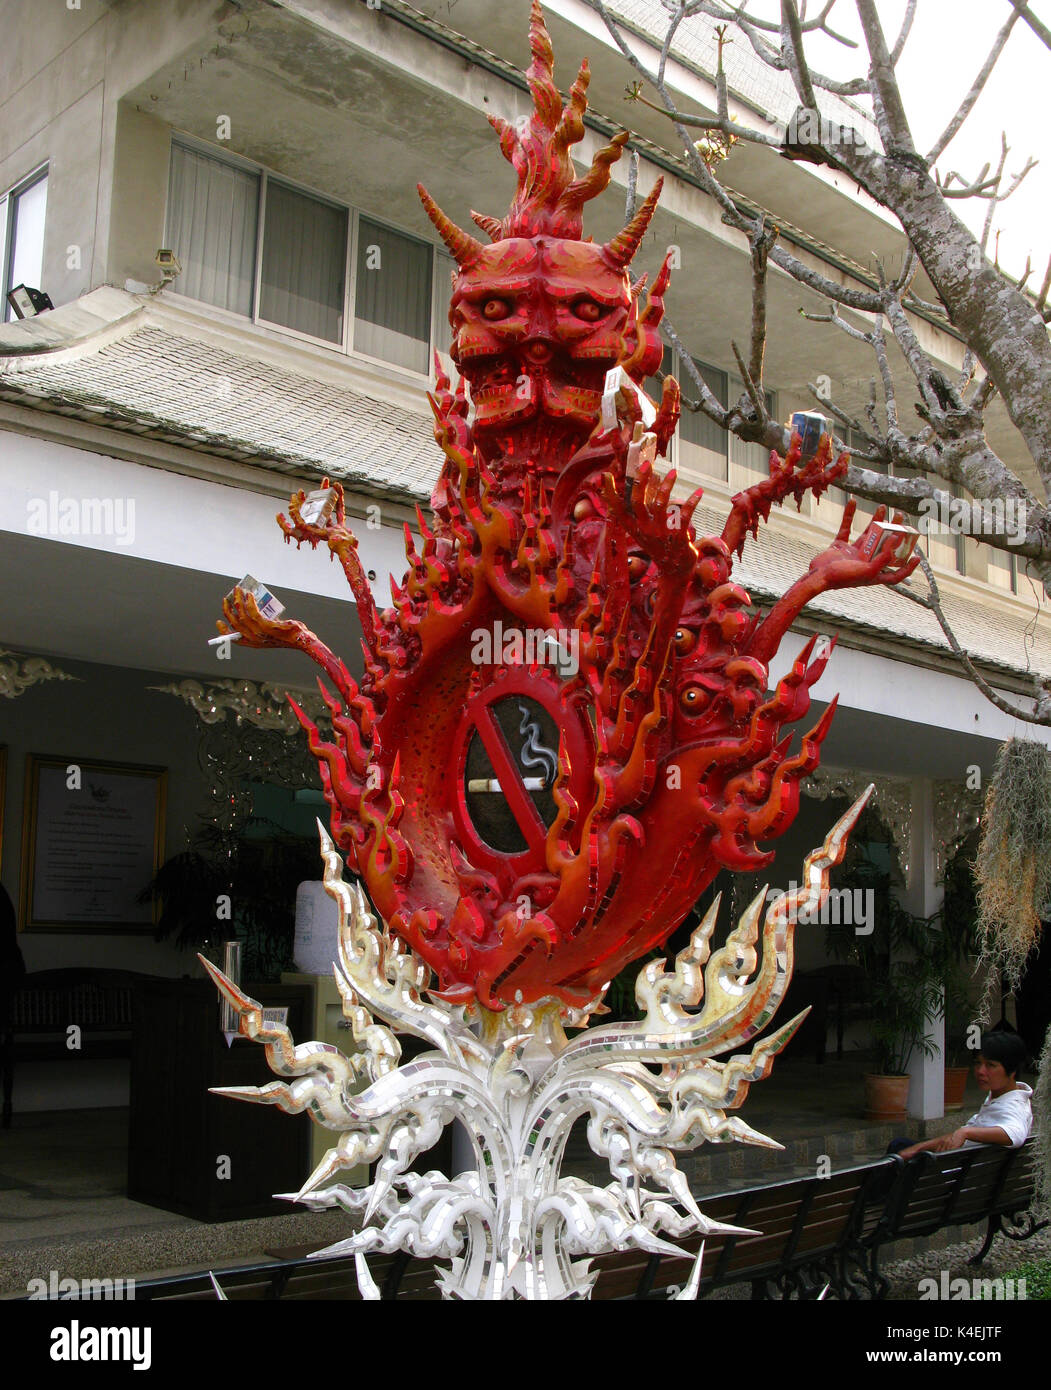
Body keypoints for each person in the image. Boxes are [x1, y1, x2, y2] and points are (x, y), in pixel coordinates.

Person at [892, 1031, 1032, 1161]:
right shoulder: (1003, 1097)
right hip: (967, 1171)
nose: (980, 1071)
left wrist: (966, 1132)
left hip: (958, 1177)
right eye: (978, 1063)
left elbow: (1015, 1133)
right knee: (904, 1146)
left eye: (990, 1065)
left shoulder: (1012, 1106)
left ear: (1012, 1070)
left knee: (898, 1147)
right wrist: (918, 1148)